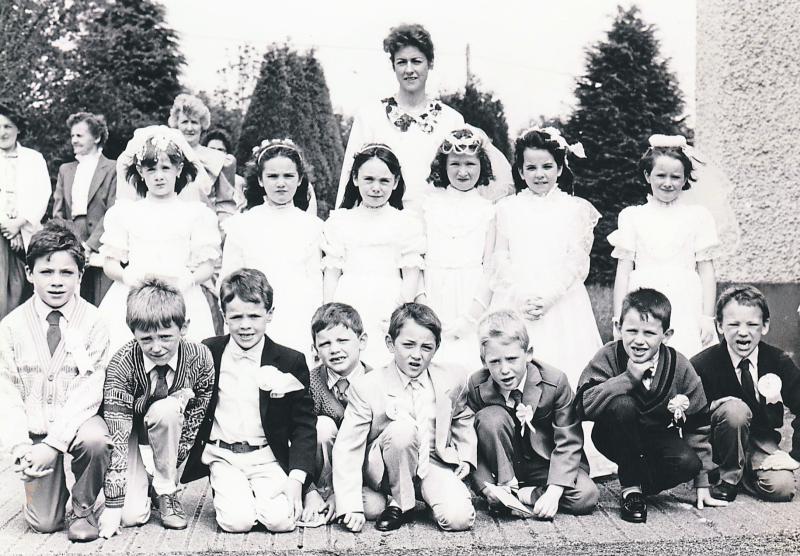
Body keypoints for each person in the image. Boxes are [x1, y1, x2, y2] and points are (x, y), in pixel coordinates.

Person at [490, 127, 612, 477]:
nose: (539, 175)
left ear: (560, 167)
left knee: (563, 370)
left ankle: (569, 452)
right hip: (520, 298)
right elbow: (500, 257)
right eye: (531, 168)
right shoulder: (507, 209)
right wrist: (520, 294)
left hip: (561, 302)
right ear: (520, 170)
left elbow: (577, 261)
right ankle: (518, 452)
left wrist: (550, 297)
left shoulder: (575, 209)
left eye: (547, 166)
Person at [181, 269, 317, 533]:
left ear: (270, 314)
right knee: (236, 522)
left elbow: (303, 425)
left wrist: (297, 479)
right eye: (236, 317)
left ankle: (261, 495)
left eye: (254, 316)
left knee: (281, 522)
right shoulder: (208, 352)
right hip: (223, 455)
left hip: (267, 456)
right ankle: (235, 493)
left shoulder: (290, 361)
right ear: (224, 316)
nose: (246, 325)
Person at [0, 221, 111, 541]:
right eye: (47, 272)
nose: (57, 282)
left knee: (96, 440)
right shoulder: (10, 327)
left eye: (67, 273)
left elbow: (90, 391)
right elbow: (6, 393)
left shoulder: (94, 322)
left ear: (80, 274)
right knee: (44, 523)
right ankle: (48, 494)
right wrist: (21, 447)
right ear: (30, 273)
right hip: (34, 429)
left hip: (77, 426)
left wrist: (55, 445)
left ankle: (84, 505)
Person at [577, 288, 728, 523]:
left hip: (656, 438)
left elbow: (698, 423)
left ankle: (640, 482)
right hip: (613, 433)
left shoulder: (678, 365)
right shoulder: (608, 356)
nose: (639, 340)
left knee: (688, 463)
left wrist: (702, 482)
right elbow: (582, 406)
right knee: (623, 404)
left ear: (666, 335)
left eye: (649, 333)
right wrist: (625, 380)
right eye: (631, 331)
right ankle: (631, 490)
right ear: (618, 329)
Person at [335, 24, 512, 216]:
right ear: (393, 65)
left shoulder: (451, 120)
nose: (409, 69)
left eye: (416, 61)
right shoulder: (370, 116)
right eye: (402, 62)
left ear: (430, 63)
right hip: (382, 223)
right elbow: (349, 178)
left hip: (437, 224)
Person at [333, 303, 476, 533]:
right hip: (387, 467)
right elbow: (348, 447)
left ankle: (425, 500)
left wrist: (466, 456)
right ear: (390, 343)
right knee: (403, 430)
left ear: (437, 347)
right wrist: (350, 506)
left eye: (426, 347)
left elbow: (462, 417)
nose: (416, 355)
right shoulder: (368, 386)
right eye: (408, 345)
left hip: (432, 462)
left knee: (459, 519)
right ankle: (399, 503)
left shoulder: (452, 377)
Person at [99, 278, 214, 538]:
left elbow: (194, 422)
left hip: (170, 425)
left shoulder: (200, 358)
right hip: (128, 428)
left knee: (168, 410)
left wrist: (170, 477)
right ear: (133, 333)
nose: (157, 347)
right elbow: (117, 433)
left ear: (183, 327)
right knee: (131, 516)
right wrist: (113, 504)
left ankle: (163, 491)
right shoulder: (122, 364)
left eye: (165, 337)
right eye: (146, 339)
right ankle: (142, 485)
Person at [98, 125, 221, 351]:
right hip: (133, 294)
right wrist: (129, 279)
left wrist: (187, 282)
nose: (159, 176)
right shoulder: (125, 212)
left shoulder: (196, 214)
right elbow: (110, 263)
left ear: (179, 168)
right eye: (151, 169)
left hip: (182, 295)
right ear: (140, 171)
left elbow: (207, 266)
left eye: (166, 168)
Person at [467, 310, 598, 520]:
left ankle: (525, 495)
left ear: (528, 354)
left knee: (586, 495)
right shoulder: (477, 385)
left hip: (545, 465)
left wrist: (554, 493)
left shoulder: (555, 381)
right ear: (484, 361)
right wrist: (485, 488)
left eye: (512, 359)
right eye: (495, 362)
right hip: (502, 468)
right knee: (490, 417)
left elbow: (568, 440)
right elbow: (470, 443)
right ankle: (505, 490)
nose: (504, 370)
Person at [609, 134, 719, 358]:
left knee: (687, 355)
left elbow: (707, 271)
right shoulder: (632, 216)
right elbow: (623, 270)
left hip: (685, 300)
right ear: (647, 175)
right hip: (643, 298)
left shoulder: (698, 216)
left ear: (685, 178)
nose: (668, 183)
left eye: (675, 177)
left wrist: (707, 317)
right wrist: (619, 316)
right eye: (661, 175)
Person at [692, 285, 800, 502]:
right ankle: (728, 477)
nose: (743, 332)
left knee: (782, 488)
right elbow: (693, 421)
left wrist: (795, 456)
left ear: (765, 326)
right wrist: (701, 471)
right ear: (719, 326)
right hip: (720, 445)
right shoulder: (702, 365)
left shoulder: (778, 361)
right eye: (733, 324)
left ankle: (746, 473)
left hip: (760, 440)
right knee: (735, 409)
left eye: (752, 324)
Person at [323, 144, 424, 367]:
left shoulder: (406, 223)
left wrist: (401, 316)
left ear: (395, 182)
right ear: (355, 179)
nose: (376, 188)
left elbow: (411, 275)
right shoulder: (340, 222)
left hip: (389, 300)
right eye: (368, 179)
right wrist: (328, 313)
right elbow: (331, 273)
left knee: (384, 363)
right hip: (349, 299)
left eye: (384, 181)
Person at [221, 139, 322, 357]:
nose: (281, 183)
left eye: (288, 176)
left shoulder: (313, 227)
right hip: (254, 314)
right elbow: (228, 279)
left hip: (298, 313)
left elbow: (315, 282)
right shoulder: (242, 225)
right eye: (272, 176)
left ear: (300, 179)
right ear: (259, 179)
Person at [420, 128, 497, 373]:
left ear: (481, 166)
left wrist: (470, 318)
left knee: (468, 360)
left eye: (470, 163)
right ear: (443, 166)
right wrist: (424, 306)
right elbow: (416, 260)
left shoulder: (489, 210)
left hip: (471, 294)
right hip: (434, 290)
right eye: (454, 163)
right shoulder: (428, 207)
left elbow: (490, 268)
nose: (462, 171)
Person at [115, 94, 237, 222]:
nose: (189, 128)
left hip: (204, 226)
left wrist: (219, 231)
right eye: (184, 122)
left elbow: (226, 205)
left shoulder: (219, 160)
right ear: (176, 125)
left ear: (202, 125)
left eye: (194, 122)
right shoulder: (162, 156)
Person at [303, 302, 372, 522]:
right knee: (322, 425)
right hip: (322, 473)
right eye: (325, 343)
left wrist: (342, 493)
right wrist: (310, 489)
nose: (334, 349)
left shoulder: (377, 381)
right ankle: (319, 495)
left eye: (342, 340)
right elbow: (299, 439)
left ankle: (342, 499)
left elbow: (375, 444)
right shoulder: (311, 382)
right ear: (314, 348)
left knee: (375, 507)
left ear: (362, 341)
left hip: (360, 473)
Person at [52, 112, 116, 305]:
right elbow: (58, 212)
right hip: (72, 241)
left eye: (79, 135)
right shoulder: (66, 170)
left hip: (103, 243)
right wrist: (70, 244)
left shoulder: (113, 168)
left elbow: (113, 211)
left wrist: (90, 246)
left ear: (96, 137)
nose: (74, 140)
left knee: (101, 302)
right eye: (72, 136)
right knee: (74, 303)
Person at [0, 101, 51, 318]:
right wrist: (6, 226)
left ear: (18, 129)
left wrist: (19, 224)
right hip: (2, 233)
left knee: (26, 289)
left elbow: (43, 193)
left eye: (7, 127)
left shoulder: (33, 158)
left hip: (27, 232)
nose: (2, 133)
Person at [201, 128, 246, 211]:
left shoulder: (239, 181)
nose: (216, 154)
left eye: (220, 150)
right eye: (212, 149)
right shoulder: (198, 178)